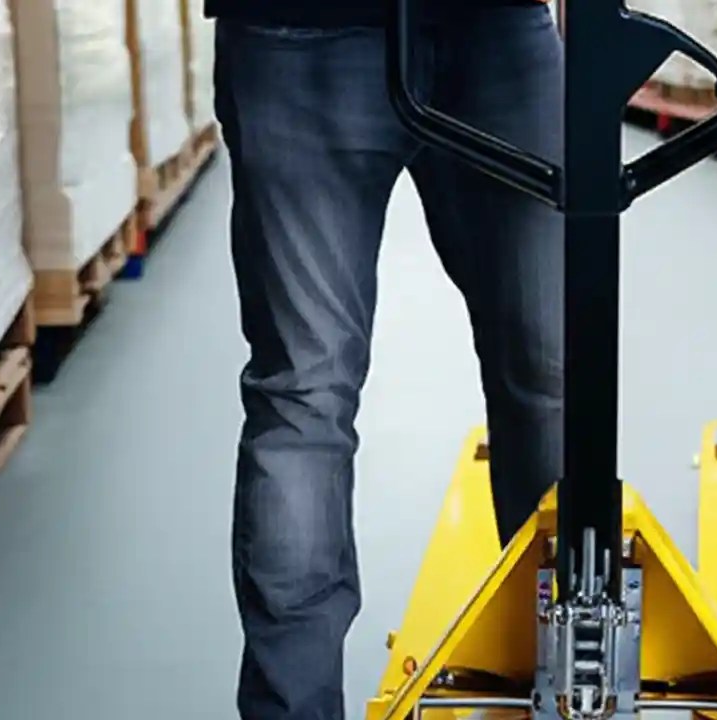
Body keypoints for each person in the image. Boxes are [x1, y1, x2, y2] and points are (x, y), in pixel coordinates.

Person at [204, 0, 564, 717]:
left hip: (482, 30)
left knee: (308, 397)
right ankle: (570, 676)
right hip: (310, 29)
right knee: (311, 394)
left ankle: (569, 663)